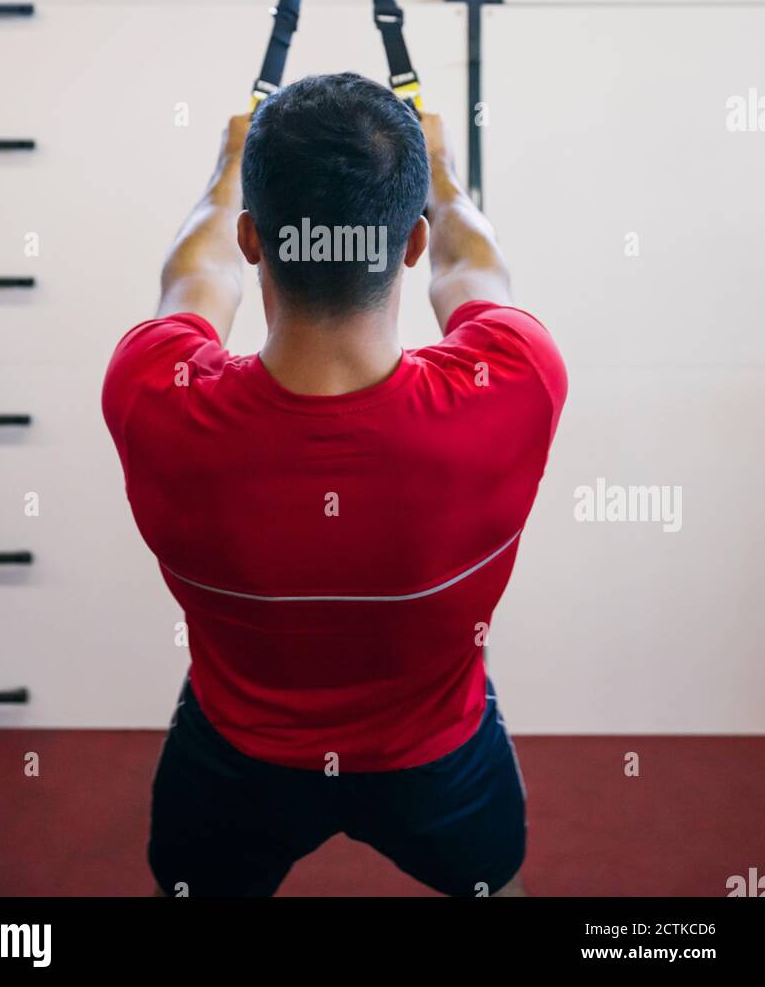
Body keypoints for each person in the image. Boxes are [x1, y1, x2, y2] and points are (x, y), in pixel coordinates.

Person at [102, 73, 567, 898]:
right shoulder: (520, 378)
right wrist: (445, 172)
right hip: (439, 762)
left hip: (235, 762)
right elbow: (475, 264)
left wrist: (224, 166)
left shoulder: (149, 389)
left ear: (256, 238)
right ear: (411, 242)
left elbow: (194, 276)